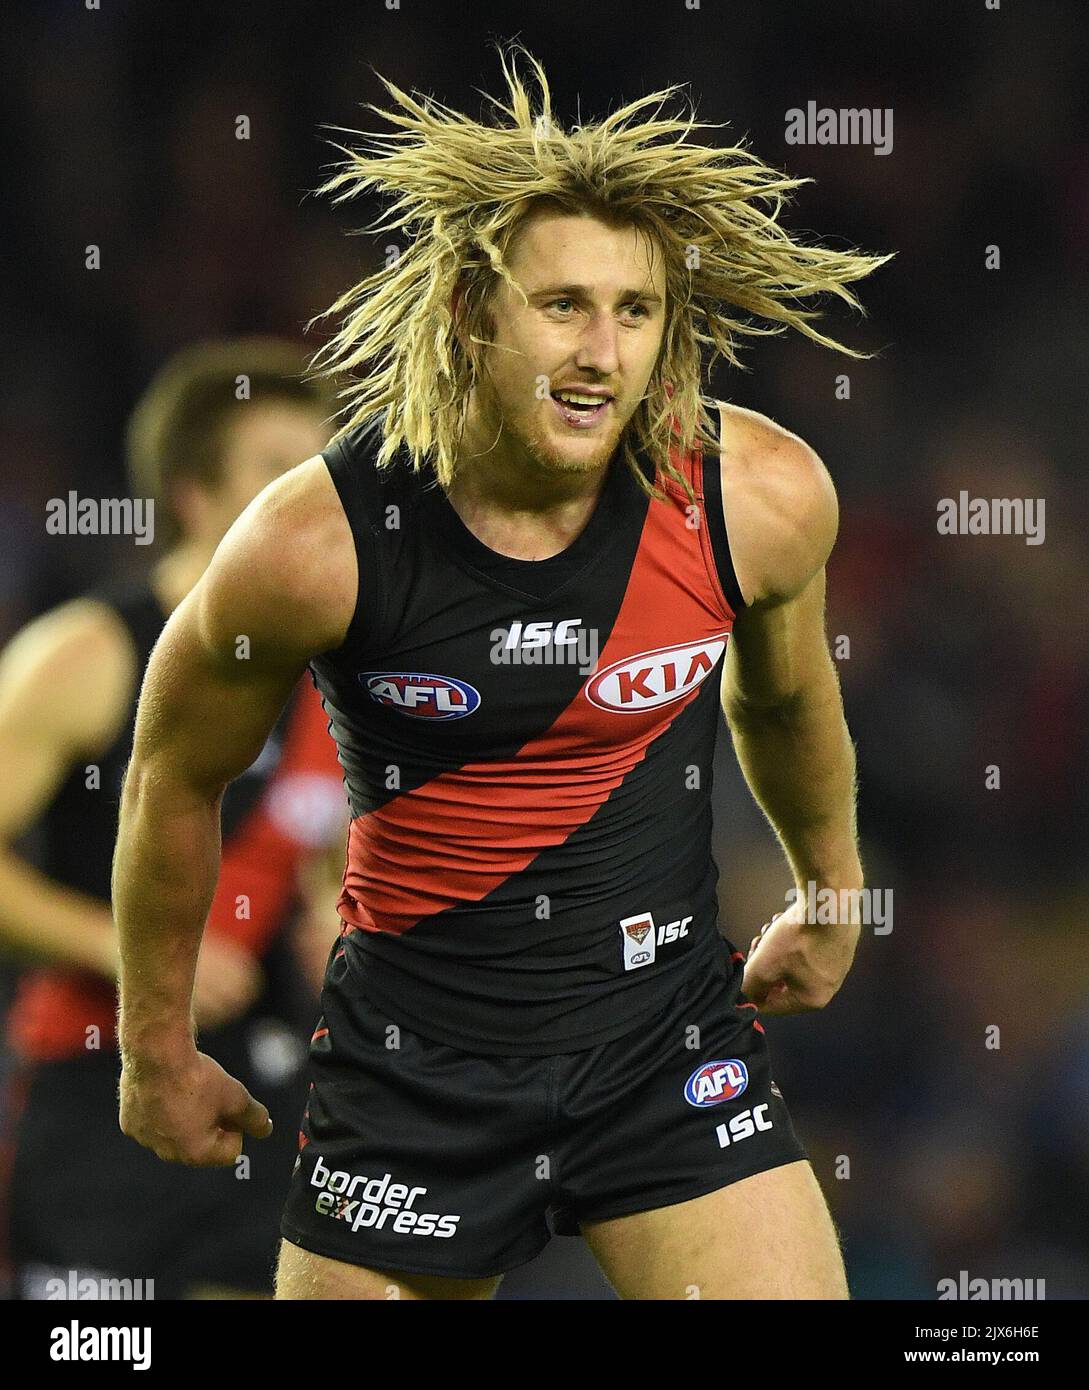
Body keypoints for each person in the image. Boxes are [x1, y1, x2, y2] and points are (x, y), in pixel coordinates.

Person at [114, 48, 890, 1300]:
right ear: (476, 311)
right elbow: (169, 775)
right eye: (563, 304)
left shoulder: (757, 496)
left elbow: (790, 696)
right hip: (413, 1076)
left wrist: (833, 886)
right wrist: (152, 1046)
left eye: (635, 311)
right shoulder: (315, 545)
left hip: (665, 1053)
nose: (601, 352)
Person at [0, 338, 346, 1298]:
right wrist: (131, 953)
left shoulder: (335, 668)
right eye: (277, 472)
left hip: (274, 1091)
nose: (308, 501)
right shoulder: (88, 654)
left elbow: (325, 849)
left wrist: (337, 911)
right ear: (193, 495)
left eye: (318, 473)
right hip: (97, 1081)